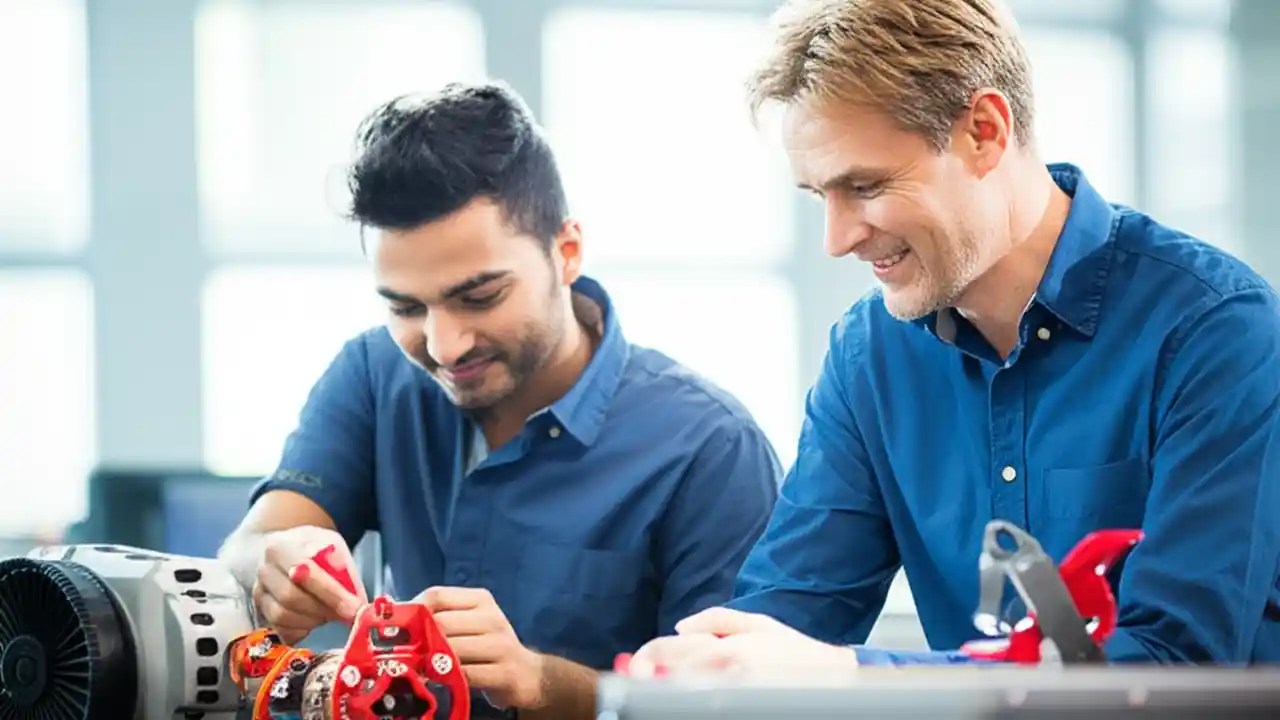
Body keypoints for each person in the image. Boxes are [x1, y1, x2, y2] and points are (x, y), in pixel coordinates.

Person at [630, 0, 1280, 677]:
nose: (836, 239)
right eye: (817, 195)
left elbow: (1178, 668)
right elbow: (781, 622)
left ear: (985, 132)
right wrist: (701, 669)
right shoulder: (868, 357)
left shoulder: (1215, 330)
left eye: (865, 185)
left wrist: (855, 679)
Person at [218, 81, 781, 716]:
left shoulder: (711, 449)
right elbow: (250, 544)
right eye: (405, 307)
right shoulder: (373, 373)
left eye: (479, 297)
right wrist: (270, 561)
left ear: (566, 253)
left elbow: (733, 706)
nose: (444, 345)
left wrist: (542, 682)